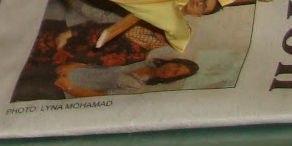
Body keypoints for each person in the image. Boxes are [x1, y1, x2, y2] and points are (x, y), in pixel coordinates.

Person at [52, 49, 200, 99]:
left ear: (172, 79)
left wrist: (68, 87)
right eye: (176, 65)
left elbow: (100, 97)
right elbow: (103, 62)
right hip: (69, 69)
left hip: (63, 89)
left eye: (175, 73)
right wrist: (75, 65)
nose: (170, 69)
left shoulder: (136, 87)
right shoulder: (143, 59)